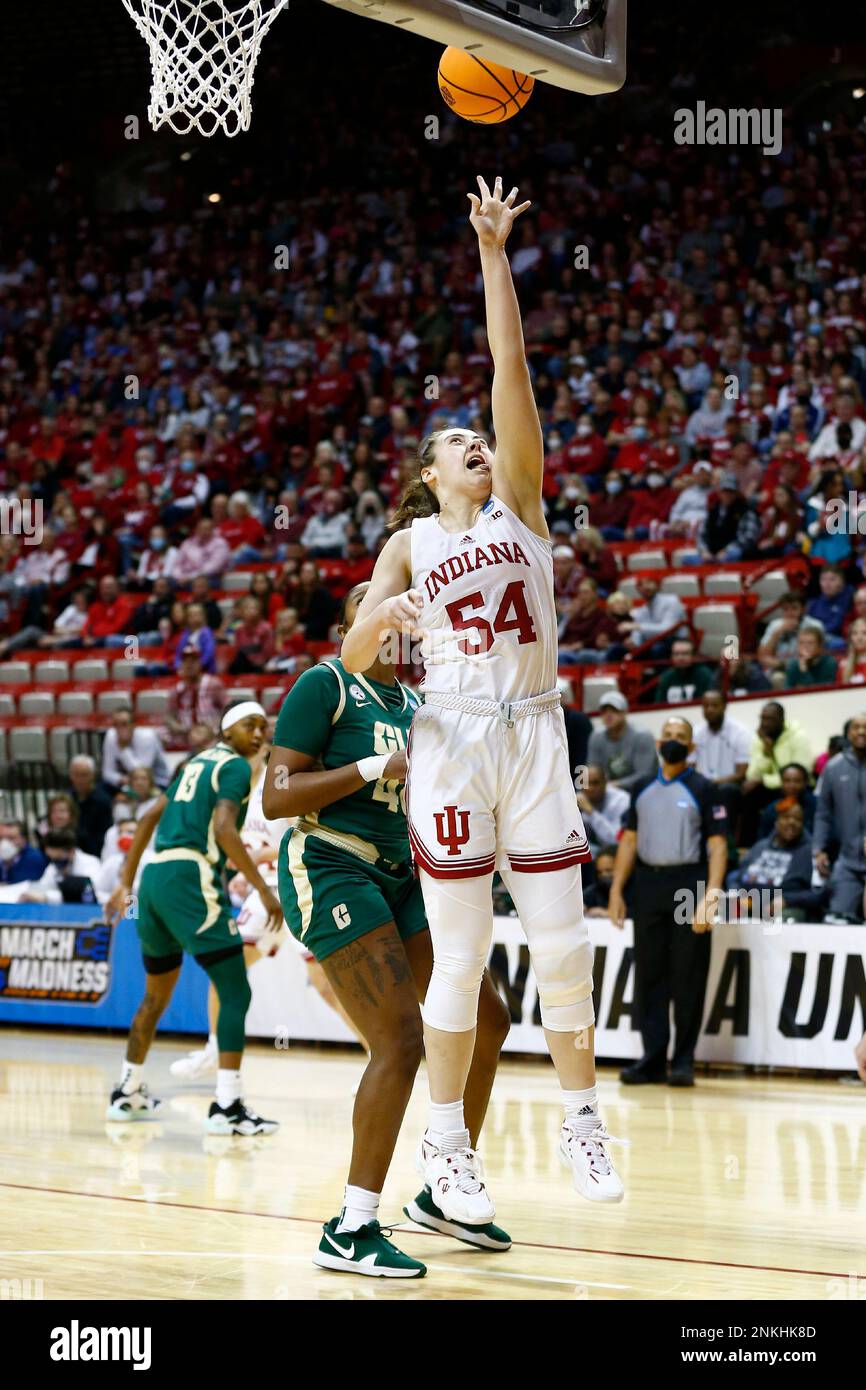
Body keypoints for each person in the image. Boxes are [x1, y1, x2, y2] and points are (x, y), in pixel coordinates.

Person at [341, 176, 624, 1229]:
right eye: (454, 440)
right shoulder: (407, 543)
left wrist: (492, 252)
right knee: (457, 959)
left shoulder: (523, 505)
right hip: (450, 743)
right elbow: (352, 650)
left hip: (536, 732)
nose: (474, 441)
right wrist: (387, 621)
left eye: (478, 437)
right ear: (426, 472)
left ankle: (581, 1115)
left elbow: (509, 364)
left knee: (560, 942)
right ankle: (447, 1149)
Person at [264, 582, 511, 1276]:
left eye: (409, 608)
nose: (401, 616)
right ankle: (352, 1224)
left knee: (487, 1020)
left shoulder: (413, 701)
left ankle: (439, 1191)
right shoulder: (324, 685)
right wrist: (375, 766)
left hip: (403, 872)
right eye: (381, 607)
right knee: (401, 1039)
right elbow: (276, 796)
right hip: (330, 862)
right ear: (355, 624)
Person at [103, 701, 283, 1134]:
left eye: (263, 727)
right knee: (235, 987)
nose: (258, 734)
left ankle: (127, 1091)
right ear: (227, 731)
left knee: (154, 997)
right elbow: (223, 829)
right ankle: (228, 1106)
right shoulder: (235, 768)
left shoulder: (191, 764)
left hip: (155, 877)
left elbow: (147, 816)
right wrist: (261, 888)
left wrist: (125, 883)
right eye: (248, 725)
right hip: (190, 878)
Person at [608, 716, 728, 1087]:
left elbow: (718, 846)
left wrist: (711, 894)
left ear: (692, 748)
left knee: (688, 974)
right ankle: (653, 1058)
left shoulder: (705, 789)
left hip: (688, 883)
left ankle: (684, 1060)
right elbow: (628, 841)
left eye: (681, 737)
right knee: (649, 975)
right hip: (647, 884)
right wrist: (616, 889)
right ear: (659, 743)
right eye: (669, 735)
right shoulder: (642, 787)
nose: (674, 741)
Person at [170, 737, 296, 1080]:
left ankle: (378, 1052)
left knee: (328, 985)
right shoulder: (238, 793)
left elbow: (300, 837)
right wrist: (244, 872)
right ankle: (215, 1049)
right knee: (226, 970)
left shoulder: (282, 782)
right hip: (264, 893)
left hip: (290, 888)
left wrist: (259, 860)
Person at [730, 803, 825, 923]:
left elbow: (818, 894)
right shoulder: (760, 846)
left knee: (784, 918)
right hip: (749, 903)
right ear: (776, 821)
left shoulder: (811, 853)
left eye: (798, 819)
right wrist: (739, 895)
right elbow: (737, 879)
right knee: (723, 909)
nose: (792, 822)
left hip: (784, 907)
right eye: (786, 817)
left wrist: (787, 899)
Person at [812, 713, 866, 924]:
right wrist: (818, 849)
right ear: (848, 733)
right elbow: (823, 813)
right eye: (856, 727)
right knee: (835, 921)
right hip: (848, 861)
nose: (861, 732)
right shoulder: (833, 767)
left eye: (865, 727)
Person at [740, 701, 814, 844]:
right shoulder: (760, 739)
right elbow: (752, 775)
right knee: (748, 792)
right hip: (775, 788)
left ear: (781, 719)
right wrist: (766, 753)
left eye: (770, 719)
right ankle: (751, 845)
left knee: (791, 788)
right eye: (762, 718)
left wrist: (764, 780)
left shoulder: (798, 737)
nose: (765, 724)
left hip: (799, 788)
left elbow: (802, 774)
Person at [588, 691, 658, 792]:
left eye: (614, 710)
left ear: (625, 712)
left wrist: (615, 785)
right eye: (604, 711)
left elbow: (645, 775)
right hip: (608, 791)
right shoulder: (596, 736)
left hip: (641, 790)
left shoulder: (642, 736)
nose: (608, 715)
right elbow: (592, 770)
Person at [21, 828, 105, 904]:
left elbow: (89, 894)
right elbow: (43, 888)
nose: (55, 863)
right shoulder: (53, 867)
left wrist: (47, 897)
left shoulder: (91, 864)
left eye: (58, 859)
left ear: (72, 851)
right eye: (51, 858)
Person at [101, 706, 171, 791]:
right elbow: (107, 772)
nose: (120, 729)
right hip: (127, 783)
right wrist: (121, 779)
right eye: (116, 724)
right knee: (101, 790)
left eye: (124, 724)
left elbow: (141, 774)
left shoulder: (147, 737)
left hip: (157, 782)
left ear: (133, 725)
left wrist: (123, 749)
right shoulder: (111, 735)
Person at [165, 645, 225, 736]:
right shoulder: (176, 690)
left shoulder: (213, 684)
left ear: (200, 663)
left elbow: (228, 709)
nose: (189, 664)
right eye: (185, 661)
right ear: (181, 664)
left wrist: (215, 727)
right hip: (185, 736)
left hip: (211, 735)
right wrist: (177, 727)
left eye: (193, 661)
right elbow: (169, 716)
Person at [68, 755, 114, 858]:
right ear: (71, 776)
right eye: (76, 774)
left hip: (94, 854)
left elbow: (104, 835)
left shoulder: (102, 801)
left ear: (92, 776)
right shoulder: (67, 797)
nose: (80, 780)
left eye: (84, 775)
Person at [576, 765, 629, 852]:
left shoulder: (621, 800)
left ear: (605, 783)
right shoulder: (576, 799)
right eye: (585, 783)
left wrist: (591, 813)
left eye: (595, 783)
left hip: (614, 852)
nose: (590, 788)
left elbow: (615, 840)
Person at [656, 636, 714, 704]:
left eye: (685, 653)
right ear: (671, 656)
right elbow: (659, 705)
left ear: (694, 656)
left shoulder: (704, 675)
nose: (680, 658)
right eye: (676, 654)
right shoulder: (666, 677)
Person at [0, 818, 47, 885]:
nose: (4, 843)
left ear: (23, 839)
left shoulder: (34, 859)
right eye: (0, 838)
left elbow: (22, 886)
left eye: (11, 838)